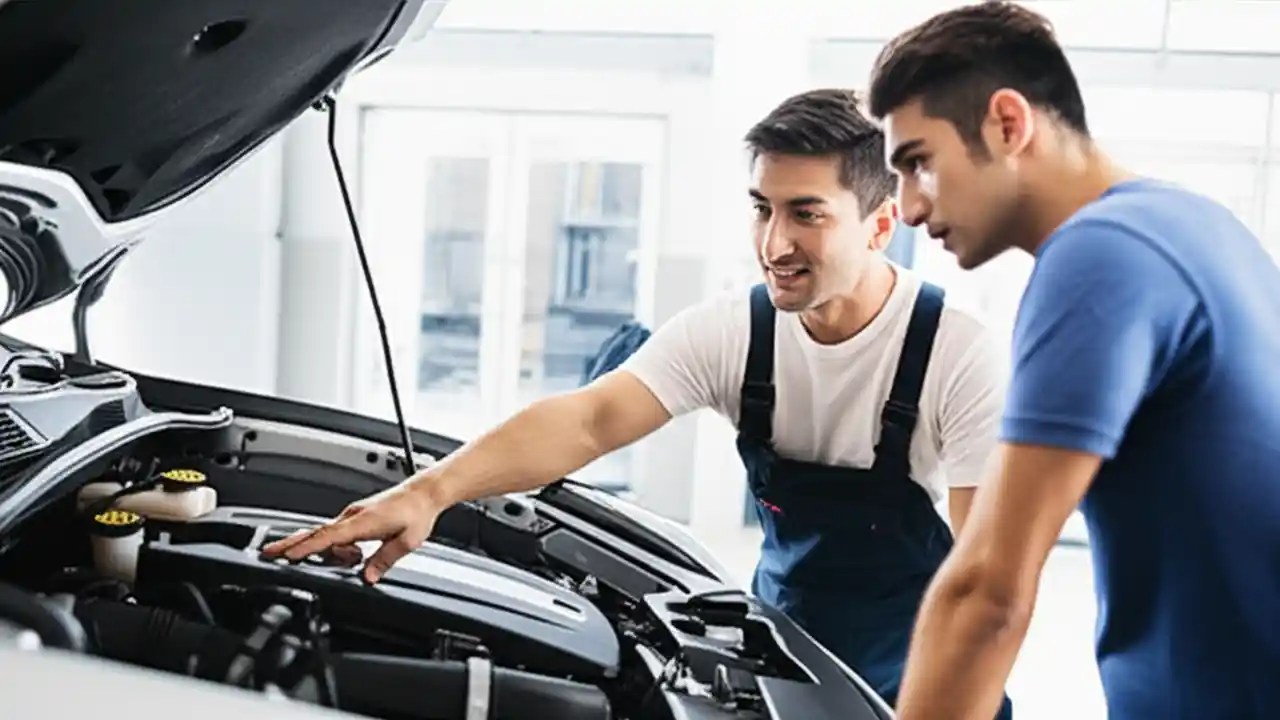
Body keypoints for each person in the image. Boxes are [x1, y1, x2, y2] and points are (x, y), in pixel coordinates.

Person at [261, 88, 1013, 715]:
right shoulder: (737, 332)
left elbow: (988, 586)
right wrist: (432, 491)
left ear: (880, 224)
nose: (774, 243)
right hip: (791, 664)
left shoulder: (955, 355)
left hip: (930, 685)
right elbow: (587, 420)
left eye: (806, 214)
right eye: (762, 208)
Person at [865, 3, 1280, 719]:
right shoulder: (1194, 223)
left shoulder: (1101, 254)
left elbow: (988, 592)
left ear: (1007, 122)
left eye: (918, 163)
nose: (904, 208)